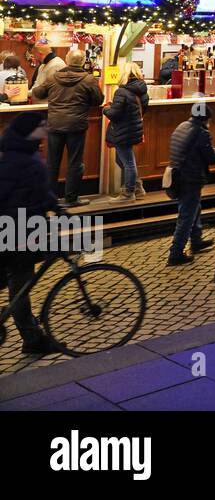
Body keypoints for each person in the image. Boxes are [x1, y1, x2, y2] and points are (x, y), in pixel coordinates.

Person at [0, 113, 61, 354]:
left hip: (21, 226)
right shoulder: (20, 158)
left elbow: (39, 190)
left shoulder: (20, 152)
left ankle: (32, 336)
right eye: (41, 128)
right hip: (18, 229)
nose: (45, 133)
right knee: (20, 284)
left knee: (18, 281)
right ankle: (32, 337)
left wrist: (57, 209)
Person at [31, 48, 103, 208]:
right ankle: (71, 198)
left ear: (67, 60)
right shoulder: (88, 79)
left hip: (55, 124)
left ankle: (49, 199)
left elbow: (37, 93)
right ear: (84, 61)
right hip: (76, 126)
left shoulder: (54, 77)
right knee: (75, 163)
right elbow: (98, 100)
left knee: (52, 163)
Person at [165, 103, 215, 266]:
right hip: (190, 177)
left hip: (178, 174)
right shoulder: (201, 133)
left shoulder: (182, 126)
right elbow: (212, 158)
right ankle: (175, 253)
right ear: (206, 119)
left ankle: (196, 240)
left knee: (194, 208)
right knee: (187, 216)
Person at [104, 62, 149, 202]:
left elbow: (114, 114)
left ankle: (128, 193)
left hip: (123, 130)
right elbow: (143, 109)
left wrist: (106, 108)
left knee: (128, 162)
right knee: (123, 159)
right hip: (133, 129)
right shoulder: (142, 91)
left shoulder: (121, 92)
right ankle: (137, 187)